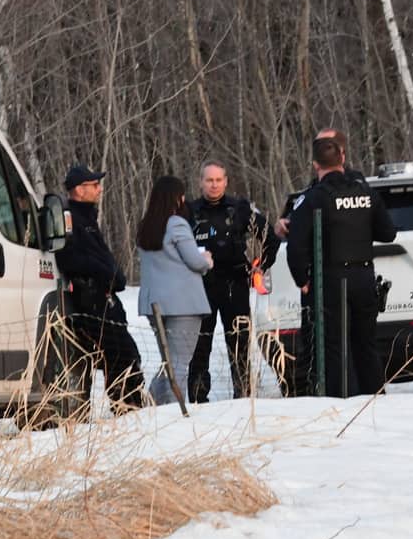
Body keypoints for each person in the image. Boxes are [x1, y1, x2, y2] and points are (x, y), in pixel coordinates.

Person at [286, 137, 396, 398]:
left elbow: (296, 243)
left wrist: (301, 278)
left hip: (331, 279)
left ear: (315, 165)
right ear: (343, 160)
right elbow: (388, 232)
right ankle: (375, 398)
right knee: (366, 344)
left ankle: (342, 399)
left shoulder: (313, 198)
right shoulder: (366, 193)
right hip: (364, 276)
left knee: (334, 346)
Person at [186, 160, 280, 402]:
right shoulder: (189, 211)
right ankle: (197, 399)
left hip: (235, 286)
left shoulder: (240, 209)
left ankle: (244, 396)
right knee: (199, 347)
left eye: (219, 180)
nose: (214, 185)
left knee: (238, 345)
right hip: (200, 288)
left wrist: (259, 266)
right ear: (200, 182)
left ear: (226, 182)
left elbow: (272, 238)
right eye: (209, 180)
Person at [54, 164, 144, 412]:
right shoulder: (69, 218)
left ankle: (130, 405)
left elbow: (97, 255)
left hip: (105, 299)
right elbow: (70, 258)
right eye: (94, 185)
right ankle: (126, 407)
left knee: (127, 354)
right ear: (79, 190)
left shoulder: (89, 217)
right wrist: (106, 273)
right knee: (119, 353)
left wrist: (114, 274)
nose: (100, 189)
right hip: (89, 302)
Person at [135, 176, 214, 405]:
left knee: (168, 363)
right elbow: (195, 262)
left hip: (154, 303)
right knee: (179, 364)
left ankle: (151, 405)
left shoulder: (146, 226)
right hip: (183, 304)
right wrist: (206, 259)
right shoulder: (177, 224)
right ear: (177, 198)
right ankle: (173, 412)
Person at [274, 127, 365, 239]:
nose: (321, 150)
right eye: (318, 146)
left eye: (327, 145)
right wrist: (284, 223)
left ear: (341, 153)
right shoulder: (313, 188)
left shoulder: (356, 185)